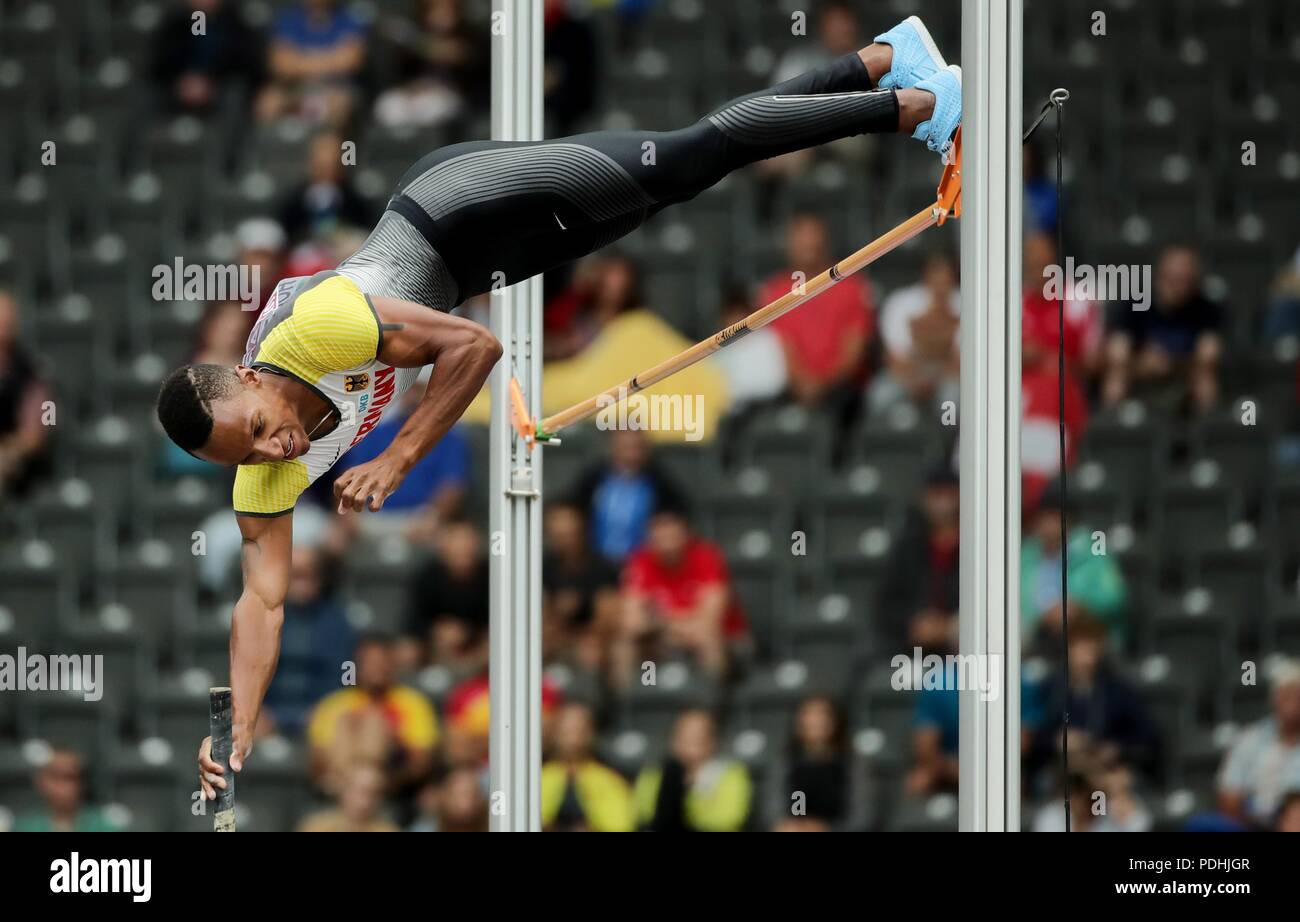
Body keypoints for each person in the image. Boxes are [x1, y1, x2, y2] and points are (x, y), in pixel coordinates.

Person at [172, 15, 963, 793]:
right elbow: (262, 602)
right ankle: (888, 55)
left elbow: (474, 348)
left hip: (450, 205)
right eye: (245, 456)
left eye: (259, 429)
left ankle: (920, 104)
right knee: (682, 175)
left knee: (684, 160)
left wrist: (397, 458)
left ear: (242, 376)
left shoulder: (318, 329)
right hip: (484, 263)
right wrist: (239, 720)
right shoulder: (262, 472)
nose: (272, 451)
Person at [635, 709, 752, 832]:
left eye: (698, 734)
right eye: (683, 733)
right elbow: (646, 813)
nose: (690, 740)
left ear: (712, 740)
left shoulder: (731, 774)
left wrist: (691, 796)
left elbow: (728, 818)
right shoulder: (654, 773)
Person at [1217, 658, 1300, 828]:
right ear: (1274, 698)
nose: (1291, 701)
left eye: (1297, 694)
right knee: (1203, 825)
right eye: (1285, 694)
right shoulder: (1250, 739)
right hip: (1253, 822)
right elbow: (1229, 793)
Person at [540, 702, 635, 832]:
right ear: (555, 732)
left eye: (579, 729)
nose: (573, 737)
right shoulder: (539, 779)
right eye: (567, 729)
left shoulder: (609, 781)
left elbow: (622, 825)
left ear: (591, 733)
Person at [13, 749, 121, 833]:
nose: (63, 785)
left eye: (69, 777)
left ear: (82, 782)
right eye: (55, 776)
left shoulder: (105, 827)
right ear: (40, 782)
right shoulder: (24, 828)